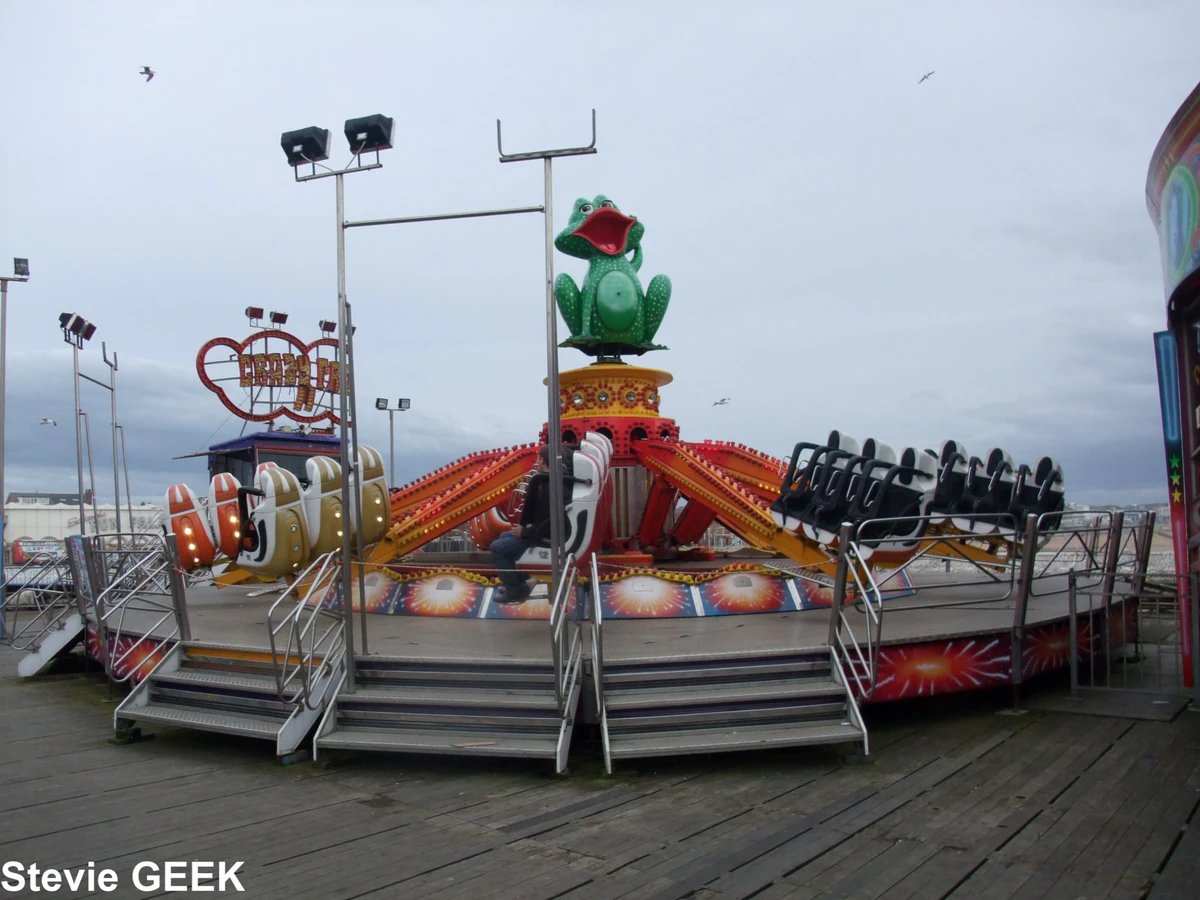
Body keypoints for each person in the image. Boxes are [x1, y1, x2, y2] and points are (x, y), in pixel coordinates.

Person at [490, 445, 568, 603]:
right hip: (542, 531)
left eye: (539, 458)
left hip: (545, 537)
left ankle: (515, 590)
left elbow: (550, 521)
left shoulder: (551, 487)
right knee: (504, 536)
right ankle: (516, 581)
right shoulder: (554, 481)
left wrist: (525, 532)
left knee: (497, 548)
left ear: (543, 460)